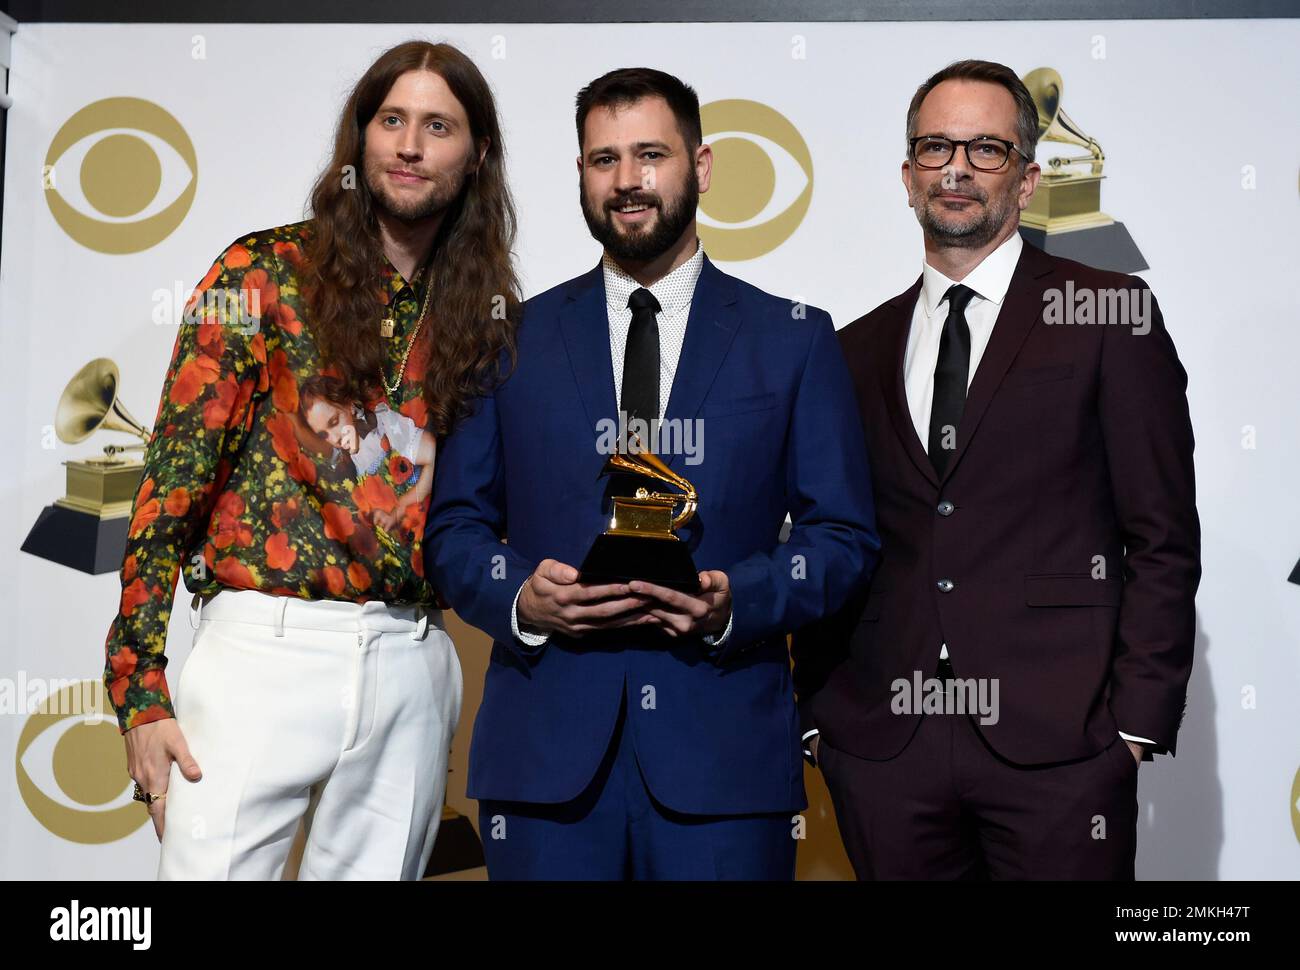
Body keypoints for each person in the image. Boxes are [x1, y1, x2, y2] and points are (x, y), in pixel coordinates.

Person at [427, 67, 879, 880]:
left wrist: (739, 598)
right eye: (604, 160)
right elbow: (454, 529)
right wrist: (521, 596)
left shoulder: (792, 340)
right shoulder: (504, 342)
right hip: (545, 768)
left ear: (700, 167)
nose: (628, 182)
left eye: (650, 155)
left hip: (724, 766)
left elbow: (842, 537)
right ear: (579, 175)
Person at [102, 40, 521, 880]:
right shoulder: (261, 274)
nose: (409, 145)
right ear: (359, 141)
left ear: (474, 156)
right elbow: (172, 487)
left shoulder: (491, 317)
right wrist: (139, 688)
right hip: (262, 645)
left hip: (412, 656)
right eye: (391, 120)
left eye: (437, 126)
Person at [793, 59, 1200, 880]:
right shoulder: (851, 349)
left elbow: (1161, 535)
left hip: (1064, 746)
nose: (956, 167)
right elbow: (828, 534)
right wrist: (817, 715)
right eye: (935, 146)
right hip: (885, 746)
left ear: (1027, 177)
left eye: (985, 148)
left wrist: (1134, 729)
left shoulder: (1108, 315)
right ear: (908, 177)